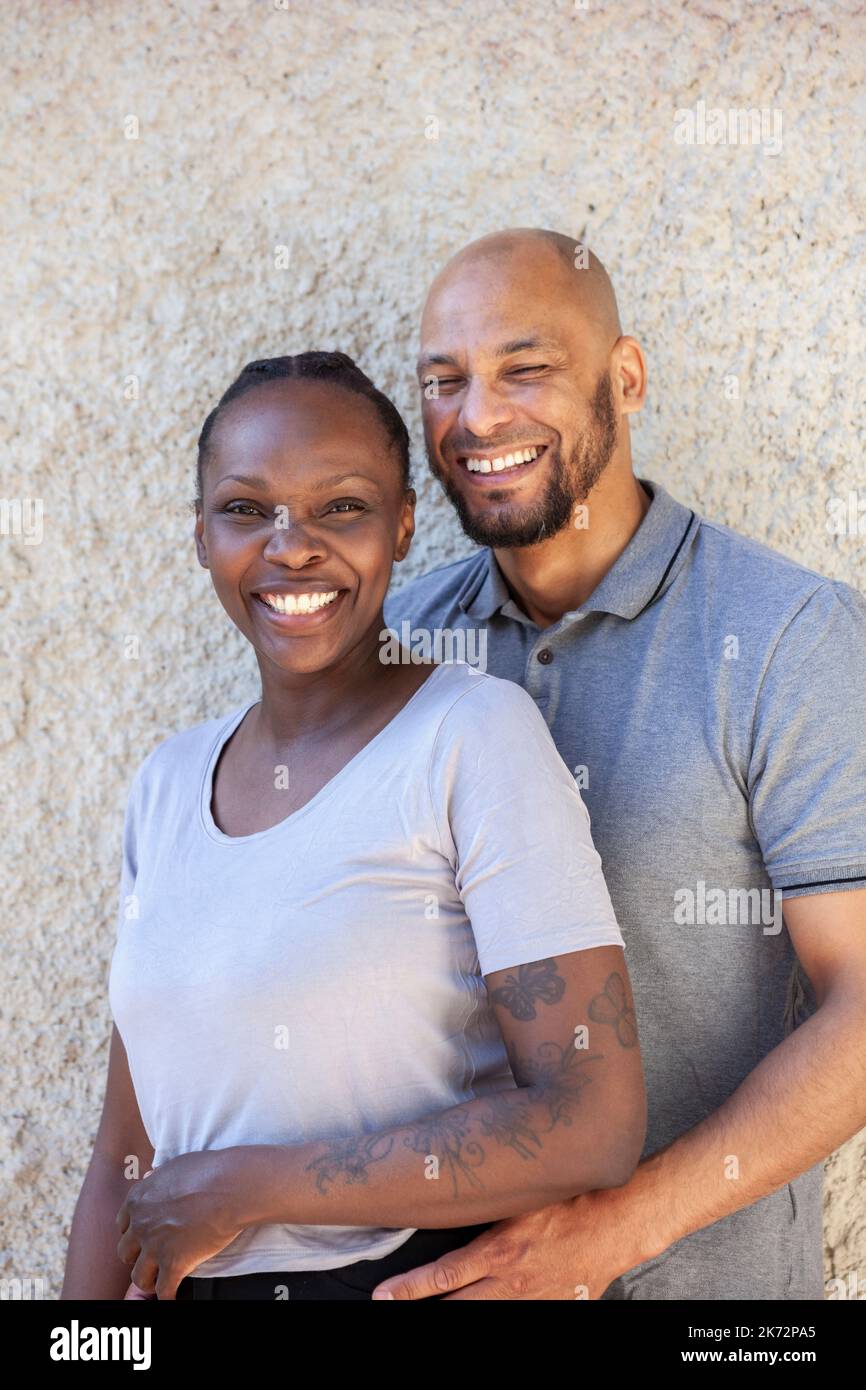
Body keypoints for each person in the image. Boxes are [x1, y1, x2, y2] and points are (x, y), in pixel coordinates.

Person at [60, 351, 646, 1301]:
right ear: (202, 536)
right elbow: (125, 1154)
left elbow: (593, 1125)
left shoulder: (471, 737)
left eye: (342, 507)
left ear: (403, 525)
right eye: (246, 509)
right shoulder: (166, 785)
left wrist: (249, 1188)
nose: (291, 547)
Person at [373, 227, 866, 1301]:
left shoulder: (785, 637)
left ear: (624, 376)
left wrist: (604, 1237)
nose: (477, 416)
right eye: (442, 381)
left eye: (524, 369)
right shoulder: (394, 651)